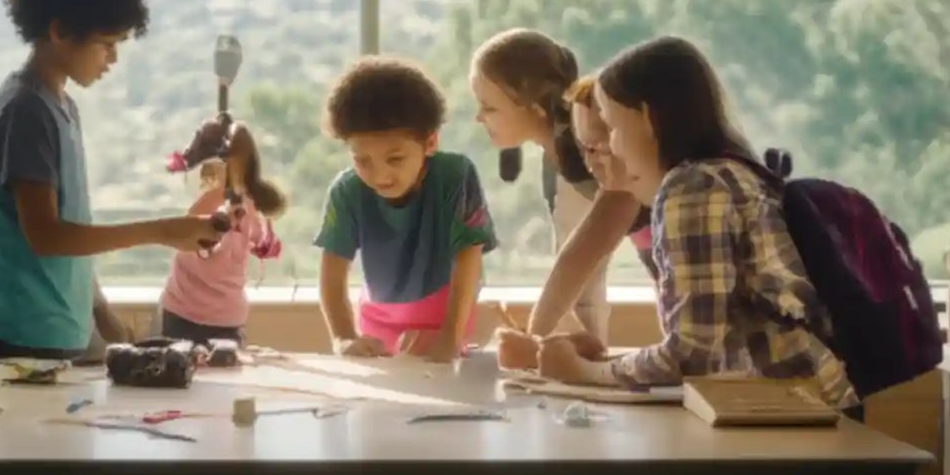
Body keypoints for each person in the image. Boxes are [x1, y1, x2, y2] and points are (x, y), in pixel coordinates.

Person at [537, 35, 857, 411]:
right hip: (806, 408)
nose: (615, 148)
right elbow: (704, 347)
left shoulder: (693, 188)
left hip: (799, 419)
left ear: (647, 118)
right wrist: (603, 364)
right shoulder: (725, 173)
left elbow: (690, 356)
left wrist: (581, 371)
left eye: (613, 128)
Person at [0, 0, 226, 360]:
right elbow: (47, 235)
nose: (113, 59)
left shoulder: (61, 107)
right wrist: (161, 231)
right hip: (22, 332)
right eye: (107, 44)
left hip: (60, 328)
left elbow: (72, 228)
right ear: (60, 31)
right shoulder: (25, 111)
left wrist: (99, 308)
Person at [468, 28, 646, 357]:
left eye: (489, 107)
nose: (479, 117)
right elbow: (576, 269)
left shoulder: (589, 154)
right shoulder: (554, 160)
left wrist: (536, 339)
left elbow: (580, 259)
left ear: (534, 108)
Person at [314, 56, 498, 363]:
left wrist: (450, 337)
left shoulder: (456, 176)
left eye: (395, 159)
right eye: (362, 161)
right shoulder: (346, 190)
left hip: (445, 316)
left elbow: (469, 258)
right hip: (378, 319)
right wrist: (344, 337)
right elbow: (332, 274)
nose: (380, 175)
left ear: (430, 143)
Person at [157, 120, 285, 344]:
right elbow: (185, 231)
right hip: (182, 313)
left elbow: (262, 243)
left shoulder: (248, 208)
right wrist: (222, 192)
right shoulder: (208, 200)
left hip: (224, 320)